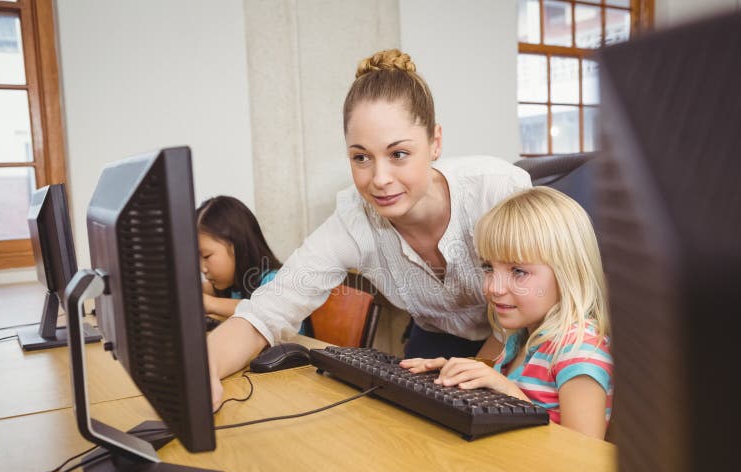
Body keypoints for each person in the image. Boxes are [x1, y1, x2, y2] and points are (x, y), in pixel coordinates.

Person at [206, 49, 532, 409]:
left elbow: (551, 295)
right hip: (437, 343)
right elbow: (269, 308)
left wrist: (484, 367)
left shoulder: (496, 190)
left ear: (435, 142)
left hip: (521, 340)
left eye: (398, 154)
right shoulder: (355, 220)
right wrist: (203, 371)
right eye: (361, 157)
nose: (379, 180)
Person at [400, 187, 613, 439]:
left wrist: (508, 393)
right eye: (488, 267)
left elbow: (584, 457)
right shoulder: (518, 337)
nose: (493, 288)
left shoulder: (579, 350)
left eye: (518, 272)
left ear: (569, 272)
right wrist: (455, 376)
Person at [196, 195, 283, 318]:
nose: (202, 268)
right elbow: (193, 292)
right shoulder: (231, 283)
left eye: (206, 256)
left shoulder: (273, 280)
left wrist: (211, 303)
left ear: (238, 246)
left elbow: (264, 311)